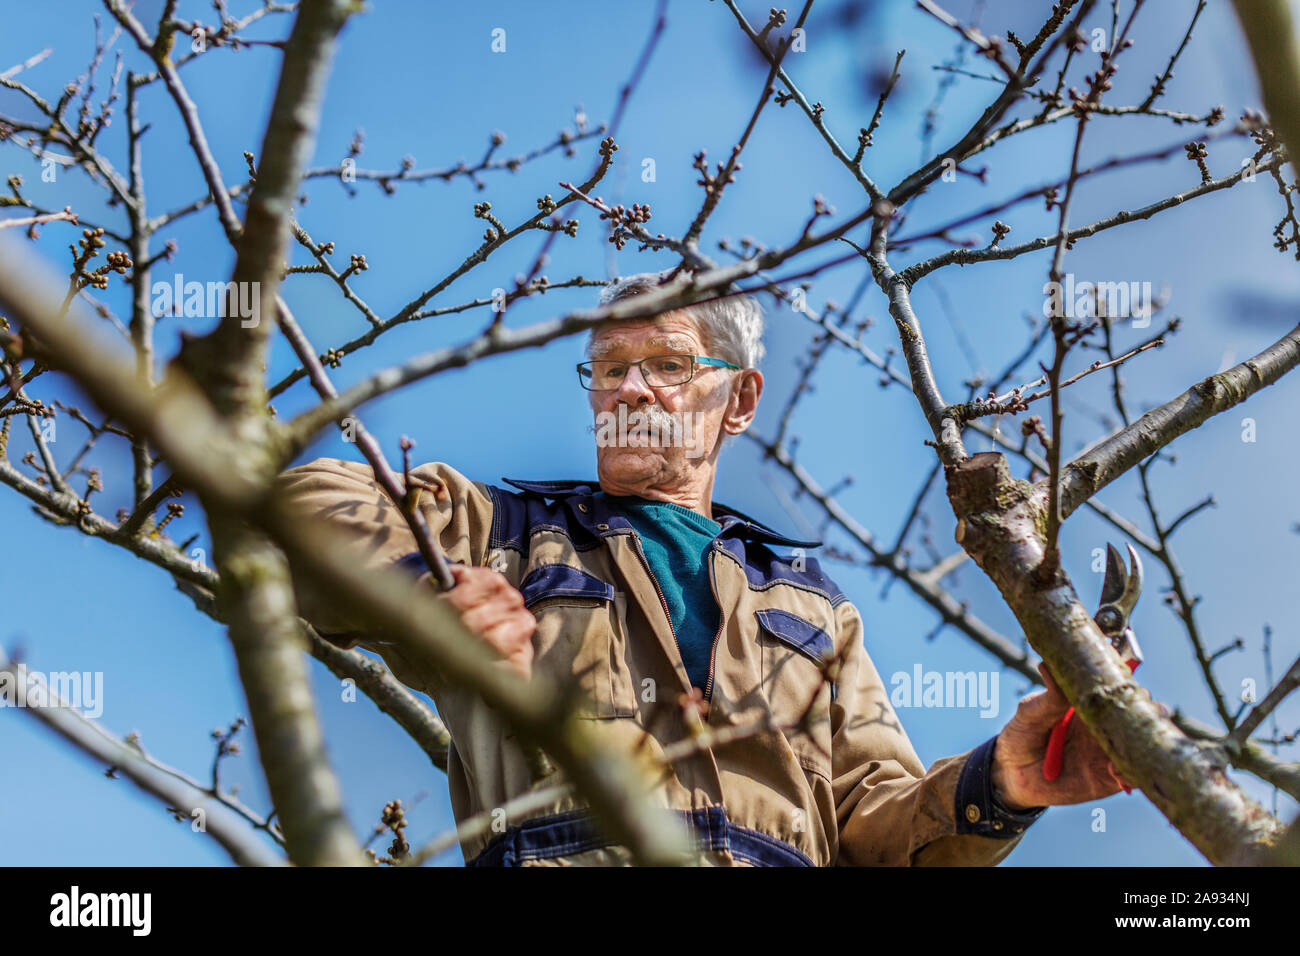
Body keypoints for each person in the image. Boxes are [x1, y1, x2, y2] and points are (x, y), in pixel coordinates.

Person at [274, 272, 1129, 866]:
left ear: (742, 402)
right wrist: (427, 593)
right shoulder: (503, 528)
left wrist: (1001, 785)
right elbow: (299, 511)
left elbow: (872, 831)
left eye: (668, 367)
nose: (630, 391)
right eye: (609, 369)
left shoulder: (813, 607)